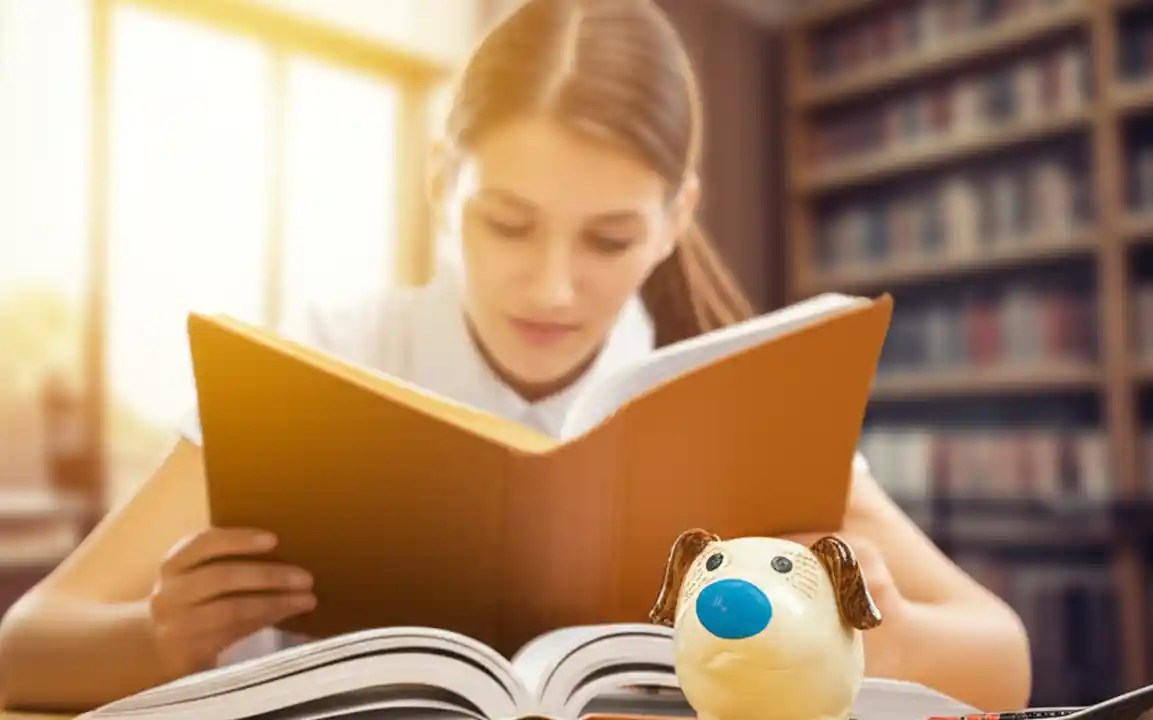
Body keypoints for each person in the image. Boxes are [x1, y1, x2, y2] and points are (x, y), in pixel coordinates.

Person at [0, 0, 1031, 713]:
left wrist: (876, 636)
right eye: (506, 222)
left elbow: (1001, 656)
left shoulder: (726, 394)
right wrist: (158, 637)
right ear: (442, 181)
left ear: (675, 220)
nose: (549, 287)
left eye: (608, 239)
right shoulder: (327, 355)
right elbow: (29, 643)